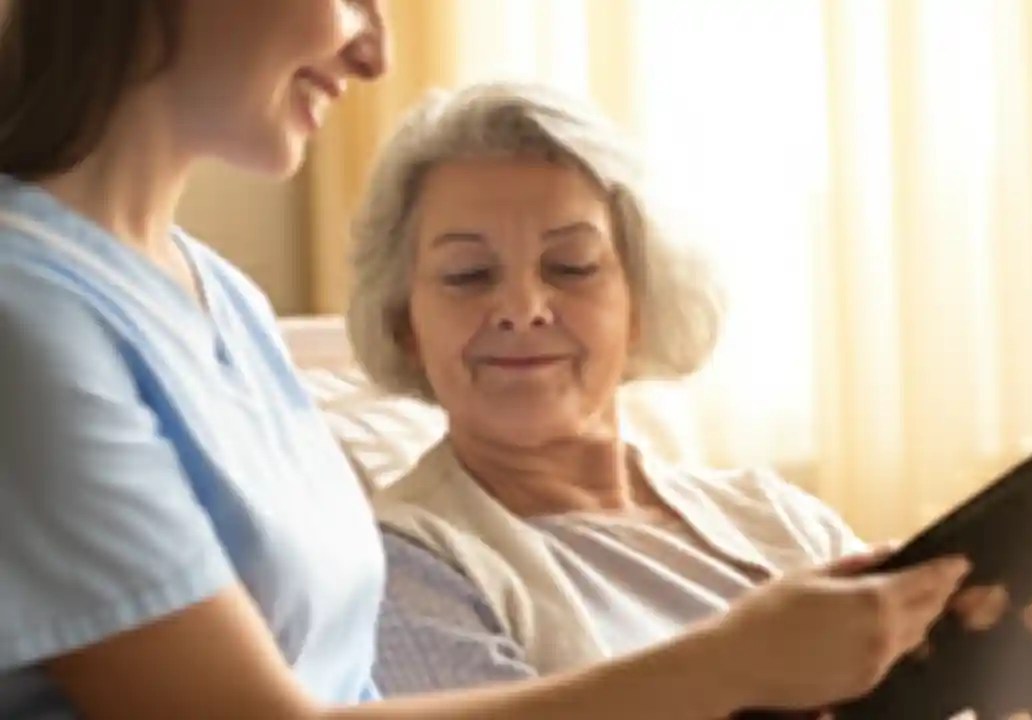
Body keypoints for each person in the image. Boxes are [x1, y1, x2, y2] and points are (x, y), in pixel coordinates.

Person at [0, 2, 970, 718]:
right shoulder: (24, 321)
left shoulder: (214, 295)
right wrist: (727, 666)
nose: (372, 49)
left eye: (572, 266)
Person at [345, 82, 879, 686]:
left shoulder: (777, 517)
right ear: (405, 325)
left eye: (571, 266)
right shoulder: (399, 562)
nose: (522, 308)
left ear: (640, 305)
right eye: (469, 275)